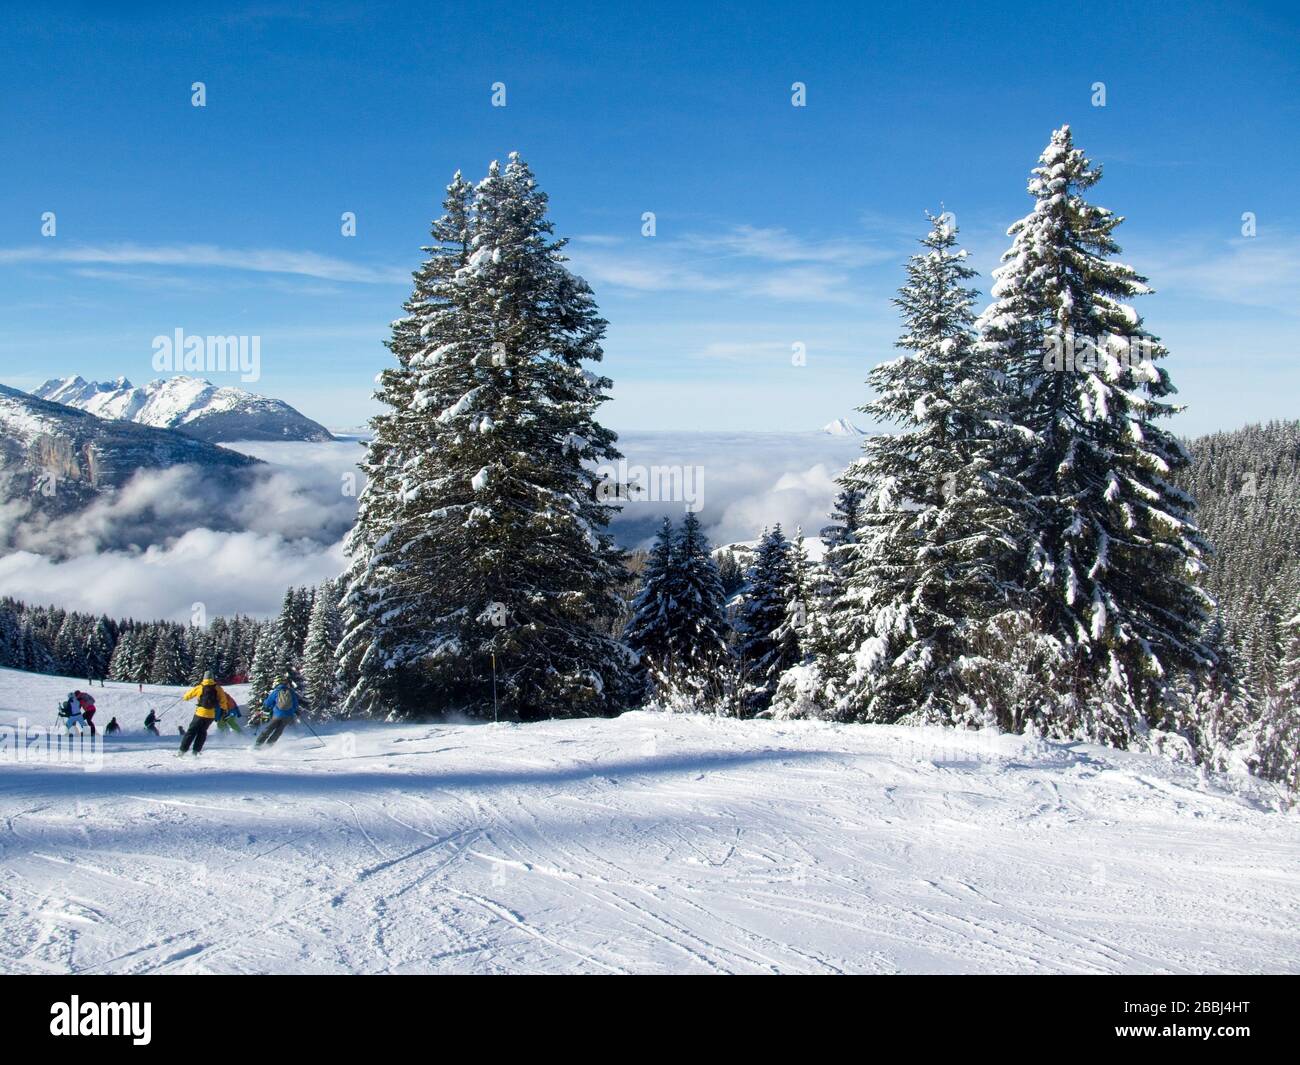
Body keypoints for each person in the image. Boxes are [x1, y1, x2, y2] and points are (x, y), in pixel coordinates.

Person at [178, 671, 236, 756]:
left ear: (204, 678)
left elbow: (187, 697)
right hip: (211, 715)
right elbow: (223, 700)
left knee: (191, 731)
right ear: (212, 678)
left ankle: (182, 751)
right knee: (202, 732)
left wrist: (184, 697)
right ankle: (196, 751)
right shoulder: (218, 688)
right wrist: (224, 710)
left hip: (200, 713)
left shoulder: (200, 687)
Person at [256, 677, 300, 747]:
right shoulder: (291, 691)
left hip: (277, 714)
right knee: (278, 731)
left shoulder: (276, 691)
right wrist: (292, 711)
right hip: (288, 715)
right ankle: (268, 746)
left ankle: (258, 745)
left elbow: (267, 703)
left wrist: (266, 706)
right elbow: (296, 705)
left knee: (269, 729)